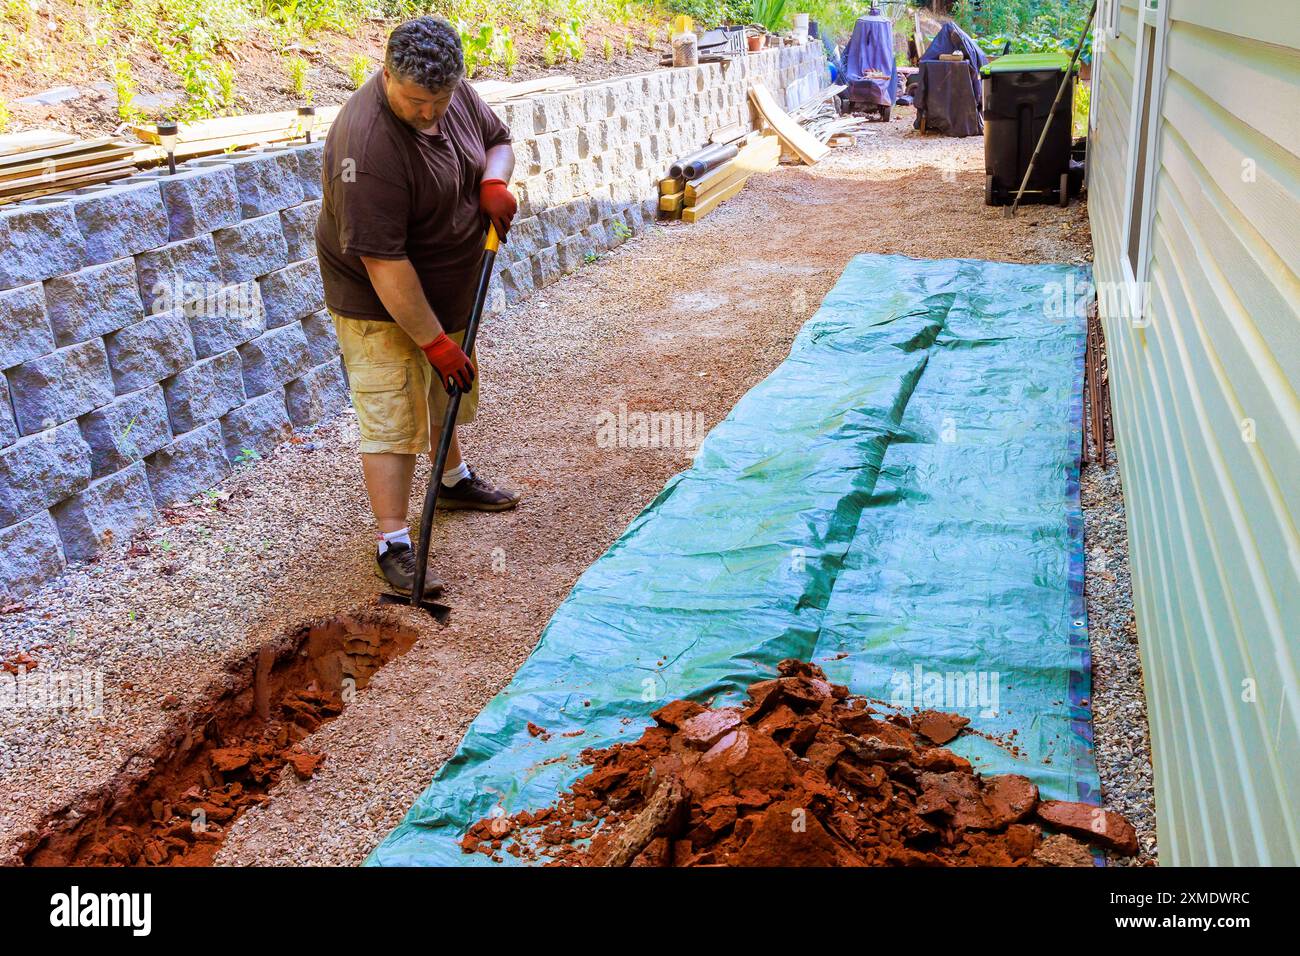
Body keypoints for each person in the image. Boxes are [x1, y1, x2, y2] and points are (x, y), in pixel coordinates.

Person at [315, 16, 521, 596]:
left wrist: (493, 183)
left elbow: (498, 141)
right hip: (380, 301)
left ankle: (451, 479)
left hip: (444, 283)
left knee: (442, 388)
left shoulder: (448, 92)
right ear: (387, 76)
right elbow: (385, 265)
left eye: (439, 100)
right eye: (415, 101)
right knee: (392, 413)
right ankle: (394, 540)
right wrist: (432, 340)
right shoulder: (367, 147)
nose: (429, 113)